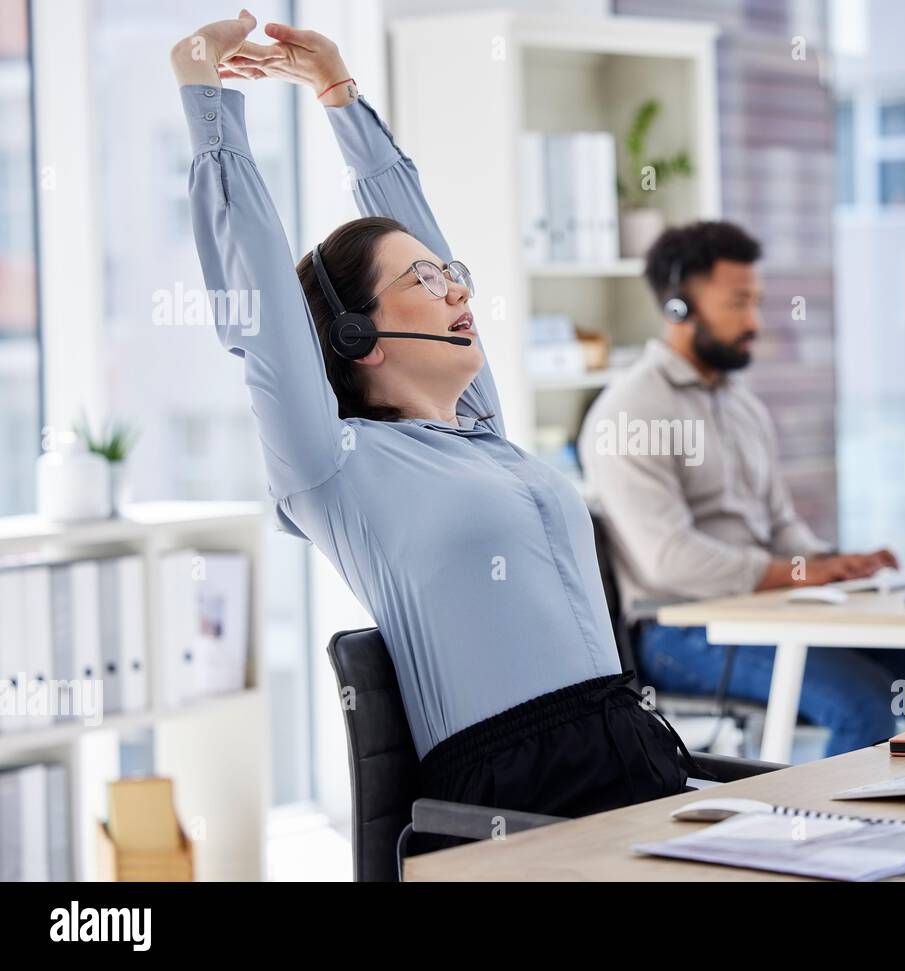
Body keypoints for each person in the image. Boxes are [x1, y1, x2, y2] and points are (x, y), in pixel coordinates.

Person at [169, 11, 702, 840]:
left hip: (635, 749)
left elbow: (416, 223)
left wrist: (339, 94)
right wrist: (205, 96)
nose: (459, 291)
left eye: (455, 275)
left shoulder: (481, 430)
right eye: (428, 280)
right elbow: (267, 308)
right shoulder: (336, 465)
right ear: (357, 337)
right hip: (515, 802)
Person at [578, 221, 905, 757]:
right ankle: (844, 839)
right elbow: (669, 559)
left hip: (767, 610)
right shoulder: (631, 410)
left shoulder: (742, 404)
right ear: (679, 306)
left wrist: (833, 562)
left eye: (757, 303)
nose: (754, 322)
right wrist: (799, 572)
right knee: (863, 702)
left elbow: (780, 524)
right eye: (738, 304)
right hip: (682, 631)